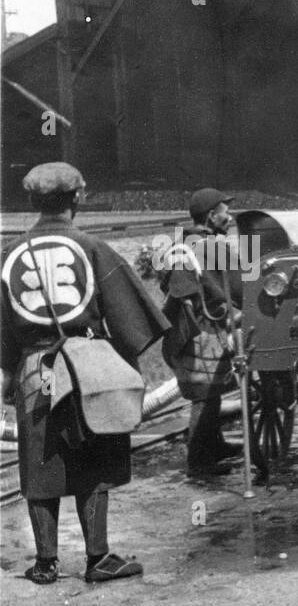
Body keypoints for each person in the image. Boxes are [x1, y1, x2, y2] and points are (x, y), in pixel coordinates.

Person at [1, 162, 169, 584]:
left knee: (38, 459)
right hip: (85, 365)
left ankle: (45, 563)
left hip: (34, 370)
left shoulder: (8, 254)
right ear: (77, 198)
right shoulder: (92, 247)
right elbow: (131, 319)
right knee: (94, 451)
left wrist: (9, 372)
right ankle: (98, 559)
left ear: (32, 201)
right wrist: (126, 363)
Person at [159, 188, 243, 476]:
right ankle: (198, 462)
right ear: (211, 215)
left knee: (210, 392)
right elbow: (239, 286)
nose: (229, 216)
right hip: (204, 331)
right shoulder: (215, 248)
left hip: (182, 330)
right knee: (205, 396)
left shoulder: (180, 243)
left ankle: (215, 444)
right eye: (224, 211)